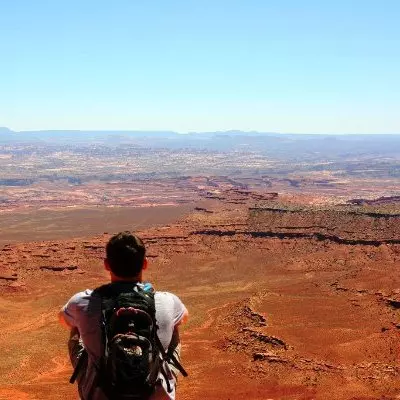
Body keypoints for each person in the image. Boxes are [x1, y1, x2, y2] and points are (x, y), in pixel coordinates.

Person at [59, 231, 189, 399]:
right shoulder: (168, 301)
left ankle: (93, 384)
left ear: (106, 264)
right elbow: (185, 317)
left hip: (103, 394)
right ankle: (164, 385)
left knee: (76, 331)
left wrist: (87, 326)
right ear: (145, 264)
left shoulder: (82, 302)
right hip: (154, 394)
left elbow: (62, 318)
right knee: (175, 326)